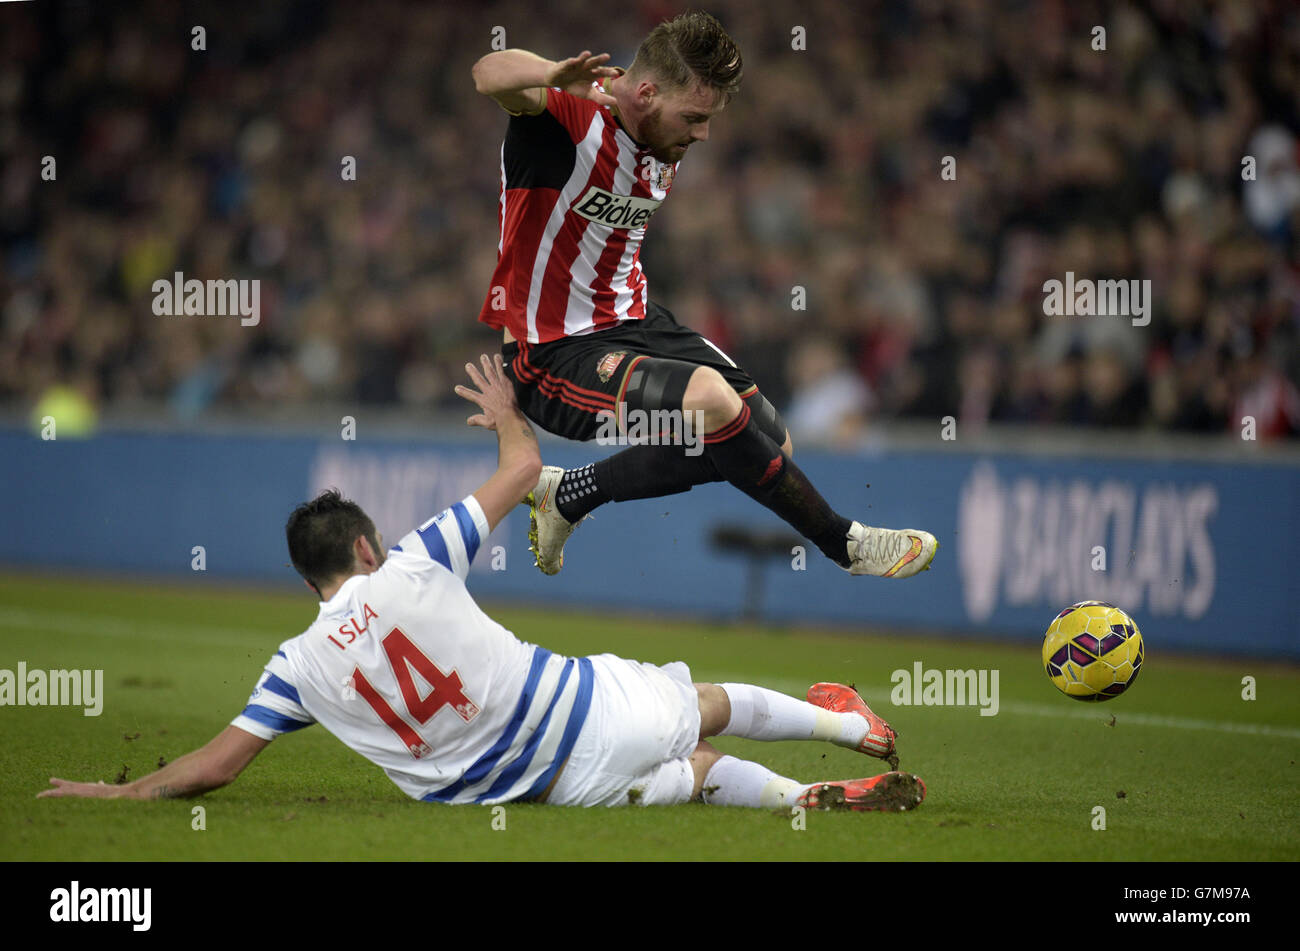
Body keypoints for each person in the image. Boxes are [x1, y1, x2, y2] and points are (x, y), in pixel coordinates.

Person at [38, 355, 926, 813]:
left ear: (311, 577)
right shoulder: (417, 560)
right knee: (701, 701)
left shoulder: (294, 666)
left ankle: (800, 801)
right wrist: (505, 412)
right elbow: (525, 468)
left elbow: (216, 766)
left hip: (545, 790)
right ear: (364, 544)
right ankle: (854, 728)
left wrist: (117, 794)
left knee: (685, 776)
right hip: (584, 710)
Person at [471, 11, 938, 579]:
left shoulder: (661, 139)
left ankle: (569, 495)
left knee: (770, 443)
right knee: (714, 402)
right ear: (644, 93)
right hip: (551, 353)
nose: (702, 134)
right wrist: (549, 73)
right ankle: (848, 545)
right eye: (693, 117)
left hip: (634, 321)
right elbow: (489, 72)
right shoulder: (570, 112)